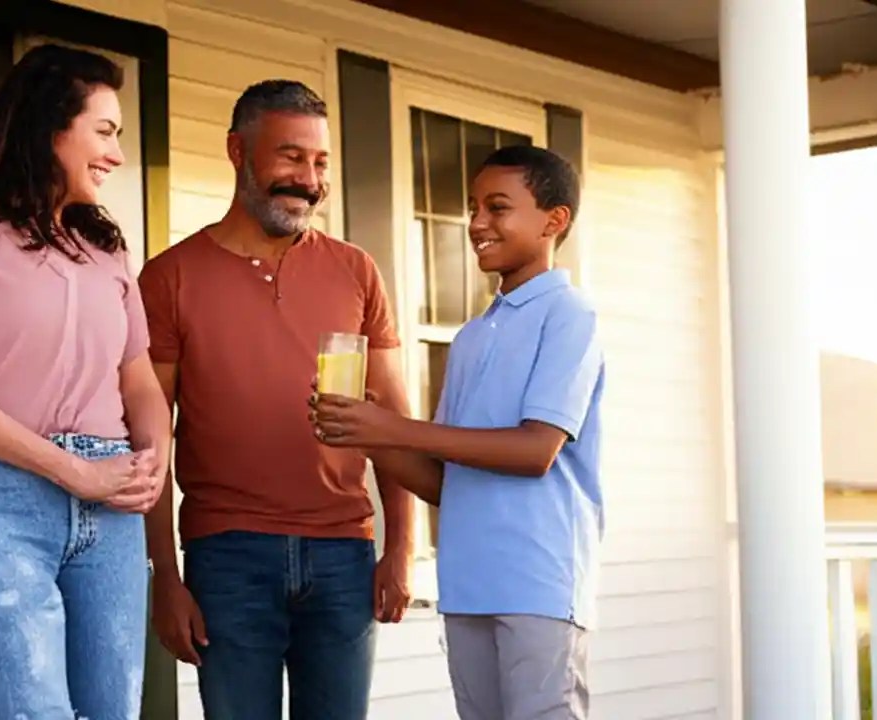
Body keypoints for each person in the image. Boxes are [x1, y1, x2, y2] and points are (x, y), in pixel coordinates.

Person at [138, 79, 416, 720]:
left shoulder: (356, 270)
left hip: (344, 552)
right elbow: (150, 438)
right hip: (227, 556)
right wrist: (166, 578)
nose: (309, 181)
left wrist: (400, 547)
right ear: (238, 151)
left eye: (320, 163)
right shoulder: (170, 277)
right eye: (291, 157)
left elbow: (392, 421)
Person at [311, 145, 604, 720]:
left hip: (539, 582)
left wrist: (396, 427)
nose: (476, 223)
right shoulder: (471, 337)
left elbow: (536, 450)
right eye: (473, 207)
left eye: (498, 208)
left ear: (554, 220)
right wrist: (367, 436)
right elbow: (444, 482)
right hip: (468, 583)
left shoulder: (570, 315)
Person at [0, 44, 171, 719]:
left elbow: (139, 381)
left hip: (112, 504)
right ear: (48, 128)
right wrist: (73, 471)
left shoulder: (106, 251)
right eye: (104, 132)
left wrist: (156, 455)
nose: (117, 155)